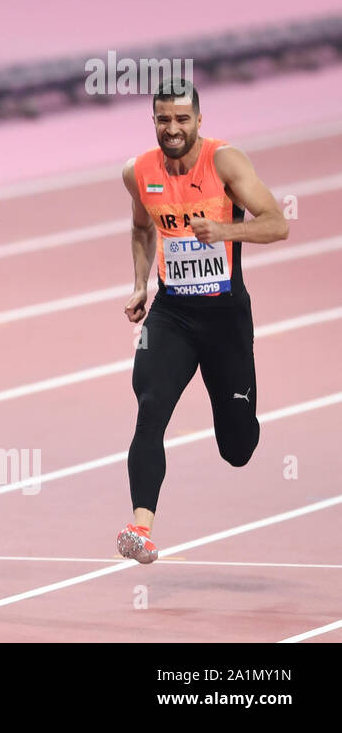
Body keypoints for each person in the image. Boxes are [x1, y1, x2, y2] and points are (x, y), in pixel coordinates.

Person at [117, 81, 289, 564]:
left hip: (225, 317)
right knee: (149, 406)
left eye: (182, 119)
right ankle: (140, 529)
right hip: (172, 312)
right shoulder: (138, 172)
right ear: (154, 122)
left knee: (237, 447)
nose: (172, 128)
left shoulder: (225, 163)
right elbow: (140, 227)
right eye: (163, 120)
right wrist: (139, 285)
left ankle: (243, 413)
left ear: (198, 121)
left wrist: (227, 230)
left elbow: (278, 223)